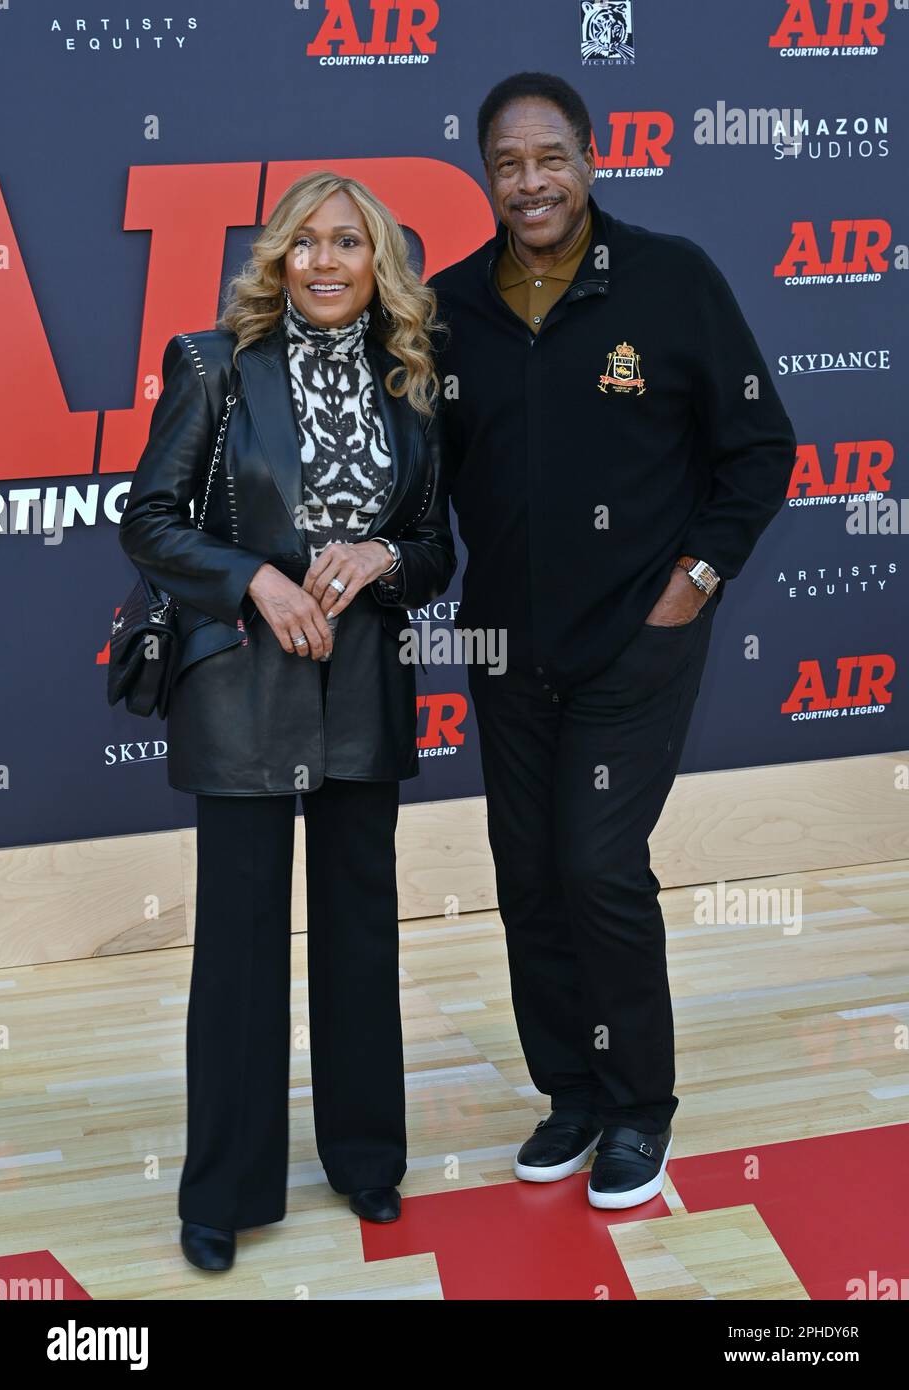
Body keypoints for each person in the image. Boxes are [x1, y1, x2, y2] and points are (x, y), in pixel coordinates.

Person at [428, 72, 797, 1209]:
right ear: (485, 175)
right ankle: (573, 1095)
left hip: (636, 642)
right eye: (507, 164)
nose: (530, 182)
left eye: (550, 157)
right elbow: (422, 482)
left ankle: (639, 1110)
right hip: (507, 650)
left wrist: (692, 582)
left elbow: (760, 448)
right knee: (530, 878)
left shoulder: (670, 280)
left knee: (595, 865)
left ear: (592, 159)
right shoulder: (449, 307)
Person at [119, 171, 455, 1270]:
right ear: (277, 257)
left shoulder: (411, 378)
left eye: (348, 243)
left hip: (362, 683)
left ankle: (367, 1160)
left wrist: (388, 555)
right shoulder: (213, 366)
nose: (323, 261)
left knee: (360, 934)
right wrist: (255, 580)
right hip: (242, 685)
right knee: (242, 946)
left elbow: (439, 550)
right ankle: (222, 1191)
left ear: (379, 263)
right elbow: (150, 521)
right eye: (304, 242)